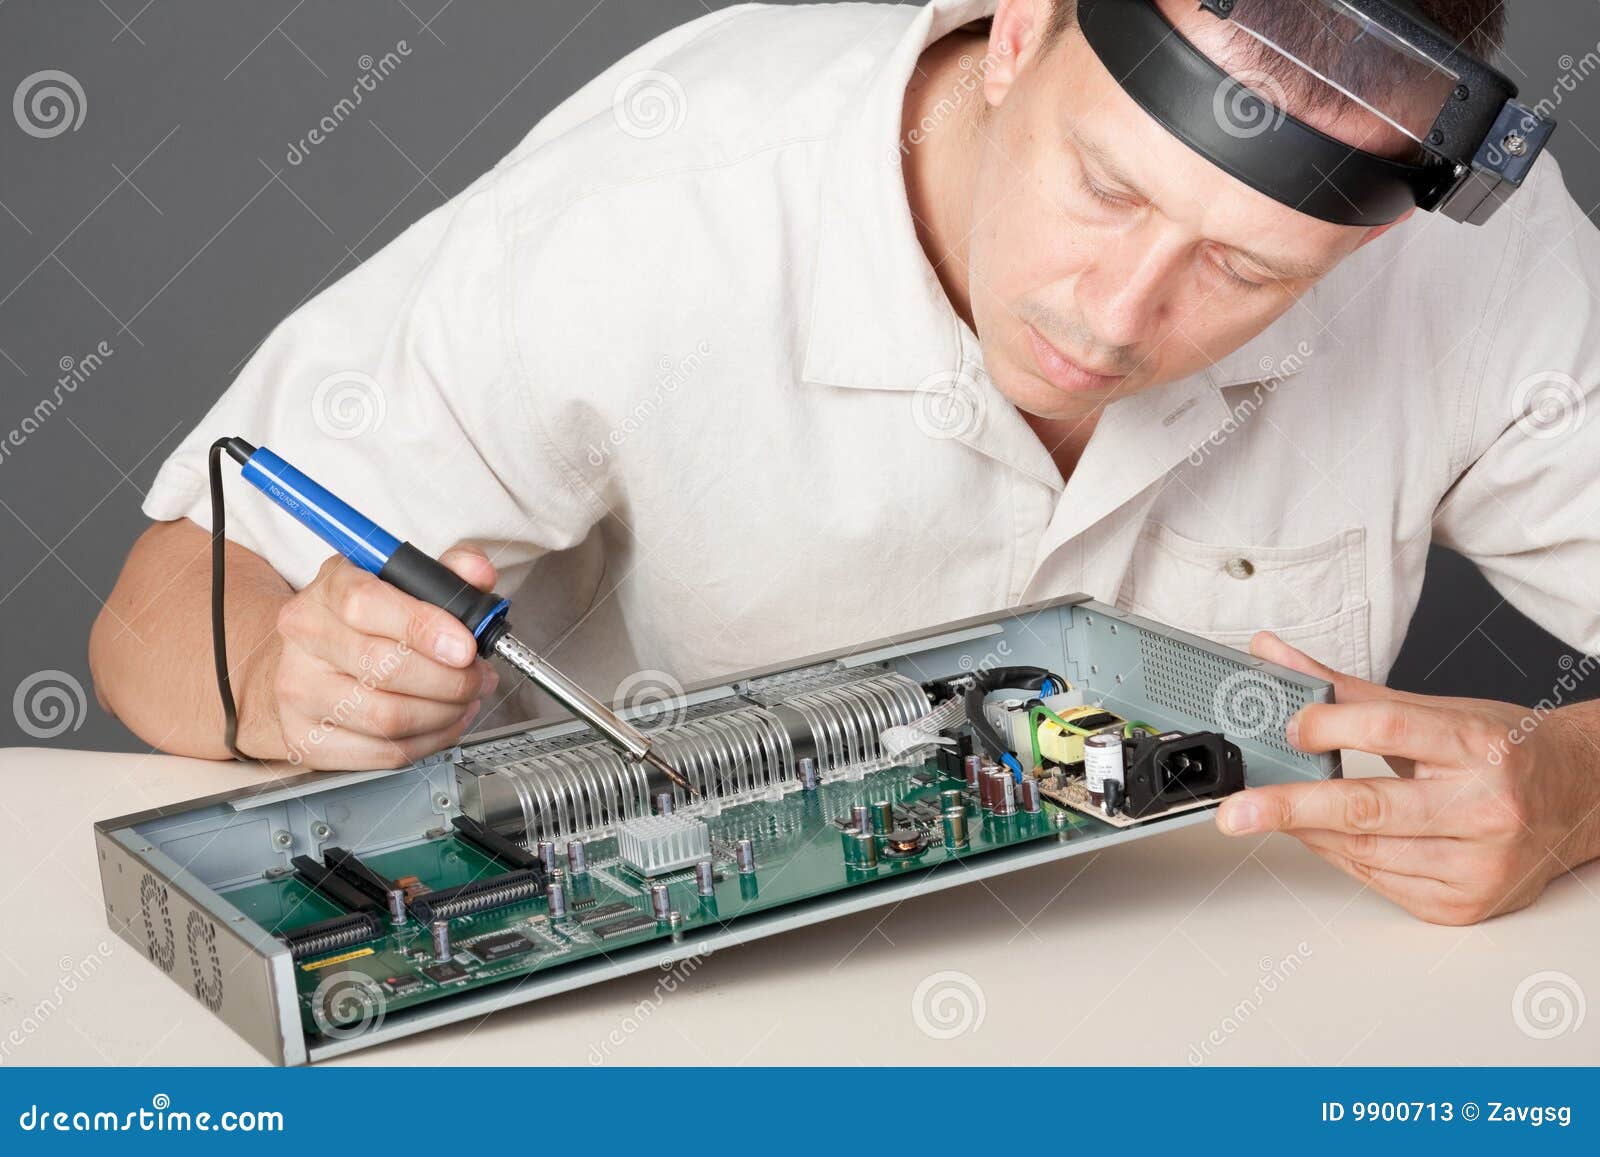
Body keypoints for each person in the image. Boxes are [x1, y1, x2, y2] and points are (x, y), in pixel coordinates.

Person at [90, 0, 1600, 925]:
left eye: (1245, 269)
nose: (1115, 315)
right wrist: (280, 673)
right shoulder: (664, 199)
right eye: (1103, 187)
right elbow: (158, 611)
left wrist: (1569, 785)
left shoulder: (1474, 268)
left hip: (1219, 1018)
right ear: (1021, 29)